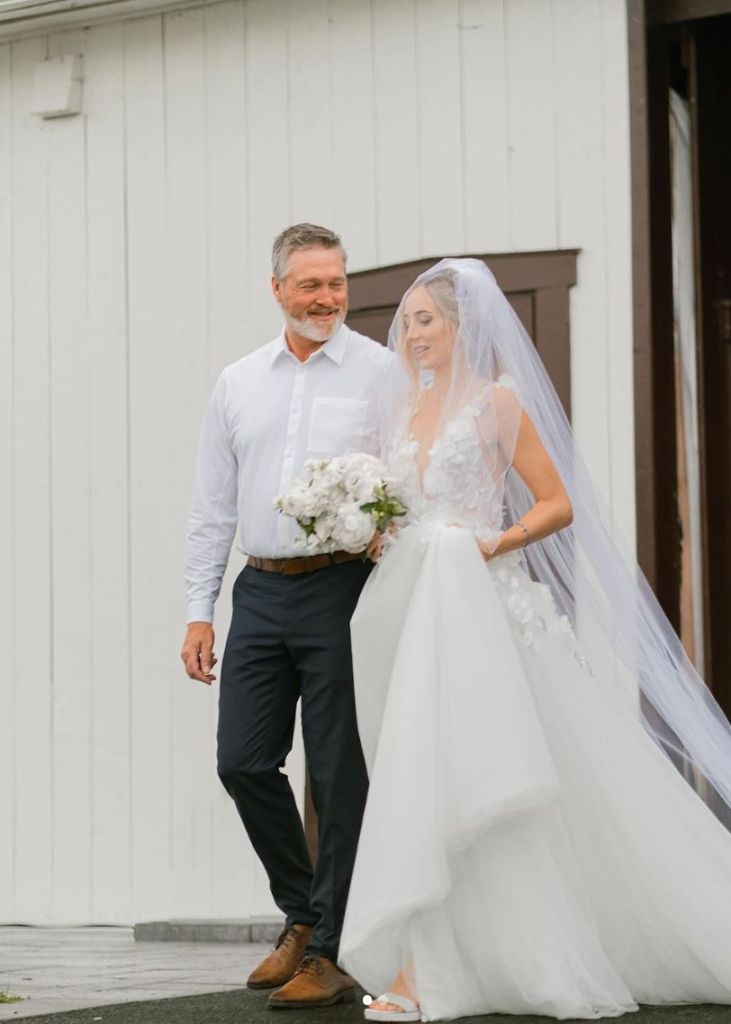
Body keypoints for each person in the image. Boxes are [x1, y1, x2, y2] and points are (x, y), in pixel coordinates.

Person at [338, 258, 731, 1021]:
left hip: (479, 604)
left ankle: (438, 972)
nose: (413, 334)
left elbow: (556, 504)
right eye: (408, 321)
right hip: (406, 603)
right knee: (416, 763)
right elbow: (398, 505)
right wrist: (376, 531)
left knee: (481, 768)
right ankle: (454, 957)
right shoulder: (401, 411)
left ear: (463, 326)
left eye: (428, 321)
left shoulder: (495, 404)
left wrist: (493, 542)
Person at [181, 223, 392, 1009]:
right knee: (242, 761)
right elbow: (210, 509)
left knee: (339, 773)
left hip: (344, 588)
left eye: (336, 282)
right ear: (277, 288)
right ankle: (304, 916)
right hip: (258, 591)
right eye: (310, 284)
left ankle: (331, 948)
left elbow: (402, 475)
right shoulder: (238, 381)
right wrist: (199, 612)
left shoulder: (378, 372)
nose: (327, 298)